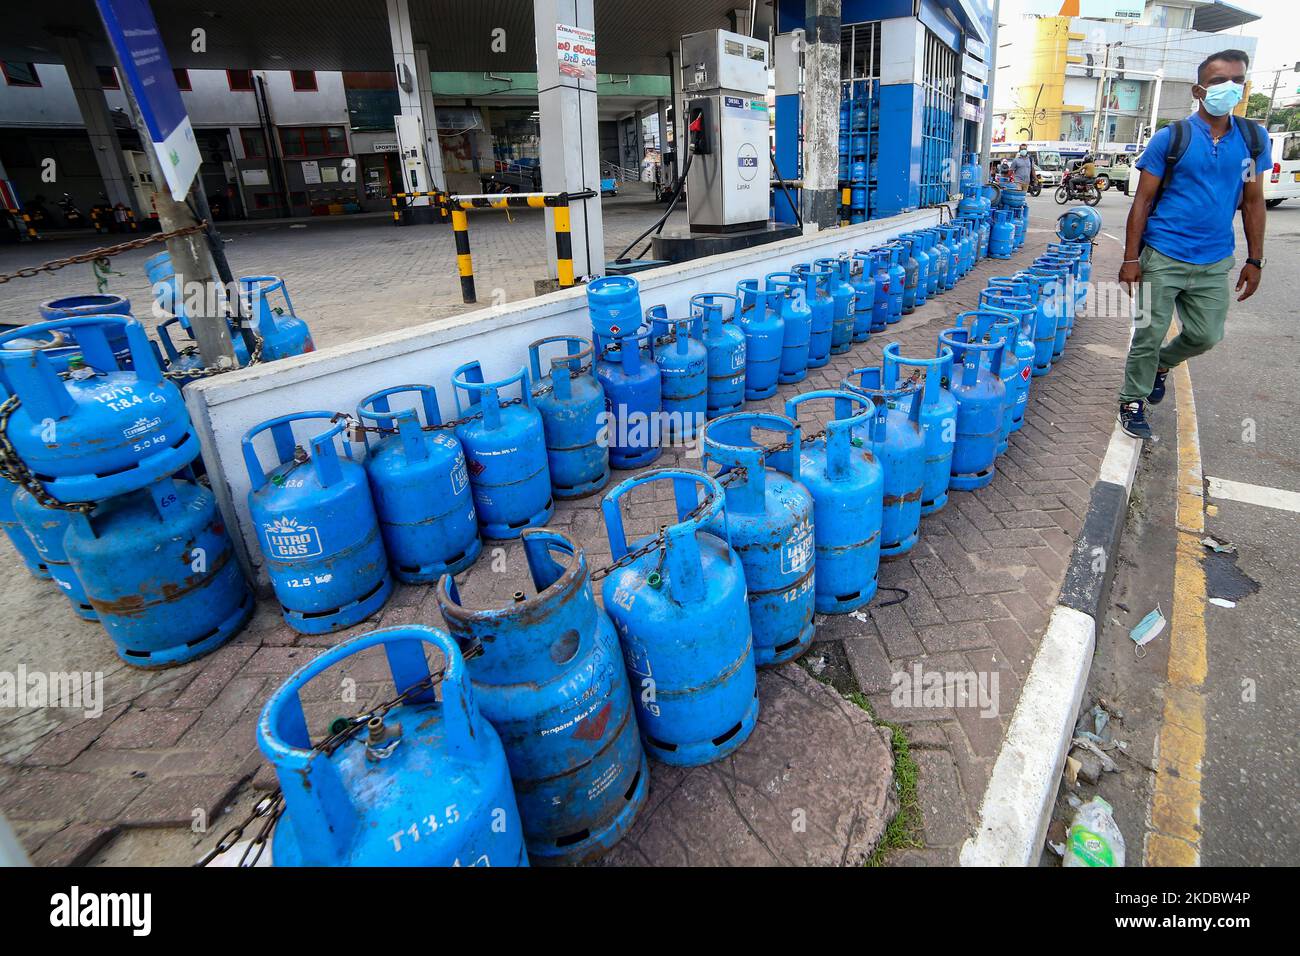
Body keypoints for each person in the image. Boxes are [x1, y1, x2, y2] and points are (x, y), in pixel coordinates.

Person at [1116, 49, 1267, 439]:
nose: (1229, 87)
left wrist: (1255, 260)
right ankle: (1132, 400)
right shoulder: (1172, 138)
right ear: (1199, 90)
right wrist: (1131, 259)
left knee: (1206, 335)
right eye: (1219, 81)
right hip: (1162, 255)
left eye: (1237, 80)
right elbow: (1142, 201)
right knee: (1148, 332)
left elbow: (1253, 201)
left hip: (1214, 260)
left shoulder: (1252, 141)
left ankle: (1162, 365)